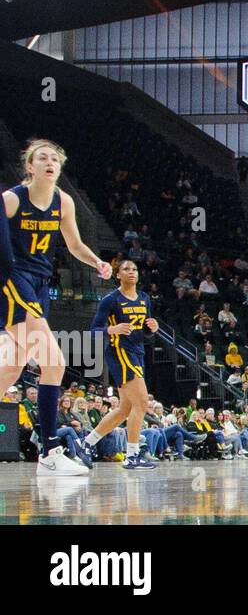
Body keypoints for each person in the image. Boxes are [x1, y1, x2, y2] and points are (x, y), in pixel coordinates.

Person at [0, 139, 112, 476]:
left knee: (10, 370)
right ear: (29, 166)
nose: (50, 163)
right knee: (54, 361)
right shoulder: (11, 200)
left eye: (55, 159)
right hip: (13, 281)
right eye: (42, 158)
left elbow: (75, 244)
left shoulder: (63, 202)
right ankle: (49, 450)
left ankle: (48, 452)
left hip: (39, 285)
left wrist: (96, 262)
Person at [83, 260, 159, 469]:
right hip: (119, 353)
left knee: (125, 408)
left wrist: (152, 328)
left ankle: (86, 443)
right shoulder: (110, 299)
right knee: (142, 403)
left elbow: (145, 333)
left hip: (137, 352)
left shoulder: (144, 298)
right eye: (126, 269)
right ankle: (132, 455)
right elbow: (93, 330)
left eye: (134, 269)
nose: (131, 272)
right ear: (118, 275)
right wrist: (111, 330)